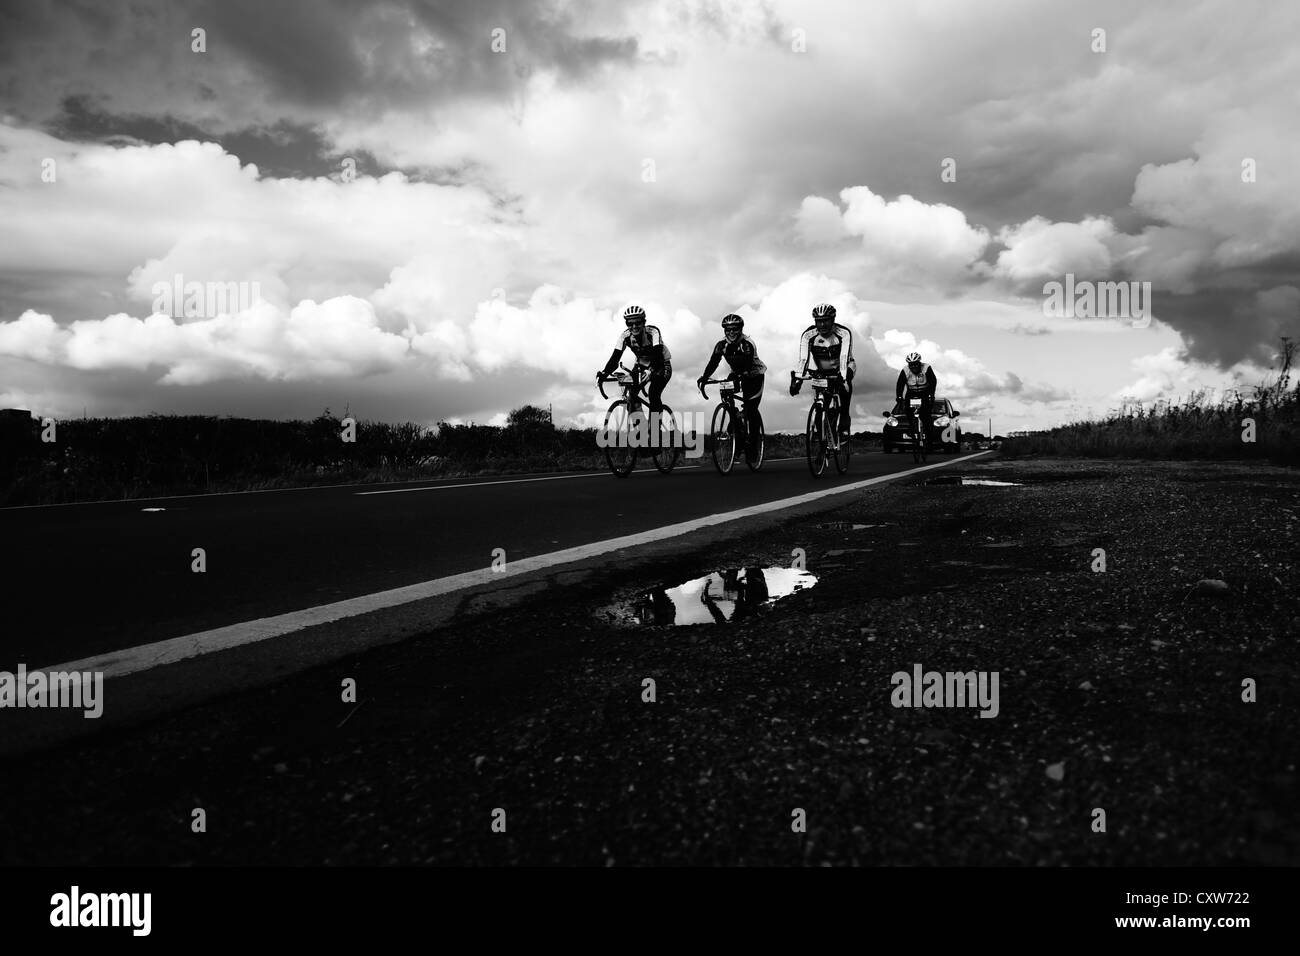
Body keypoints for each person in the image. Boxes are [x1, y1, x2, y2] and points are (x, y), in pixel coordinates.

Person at [696, 313, 766, 456]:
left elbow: (747, 364)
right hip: (737, 373)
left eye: (735, 329)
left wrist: (741, 375)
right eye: (728, 330)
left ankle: (753, 446)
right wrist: (704, 377)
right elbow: (713, 362)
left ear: (741, 329)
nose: (731, 332)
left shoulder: (747, 343)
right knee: (727, 396)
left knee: (751, 410)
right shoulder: (721, 345)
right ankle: (736, 426)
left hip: (754, 375)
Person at [790, 303, 855, 440]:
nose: (822, 325)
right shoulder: (808, 335)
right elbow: (803, 360)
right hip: (823, 371)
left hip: (844, 366)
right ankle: (822, 437)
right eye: (819, 321)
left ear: (833, 320)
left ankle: (844, 418)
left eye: (826, 320)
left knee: (844, 387)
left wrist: (842, 377)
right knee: (822, 403)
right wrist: (798, 380)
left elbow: (844, 357)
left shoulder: (844, 333)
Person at [597, 305, 672, 417]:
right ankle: (641, 425)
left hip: (661, 364)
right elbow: (615, 358)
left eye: (638, 323)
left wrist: (650, 370)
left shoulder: (653, 332)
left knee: (653, 393)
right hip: (642, 365)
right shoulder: (625, 337)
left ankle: (655, 427)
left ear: (644, 322)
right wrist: (604, 373)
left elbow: (657, 354)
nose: (634, 326)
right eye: (630, 323)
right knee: (631, 394)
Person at [896, 351, 937, 446]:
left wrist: (931, 395)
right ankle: (911, 426)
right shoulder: (905, 370)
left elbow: (933, 381)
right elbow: (900, 384)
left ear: (919, 363)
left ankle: (929, 437)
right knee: (908, 410)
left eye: (916, 364)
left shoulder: (926, 368)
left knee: (926, 415)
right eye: (911, 365)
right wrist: (899, 396)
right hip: (911, 392)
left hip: (924, 392)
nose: (914, 367)